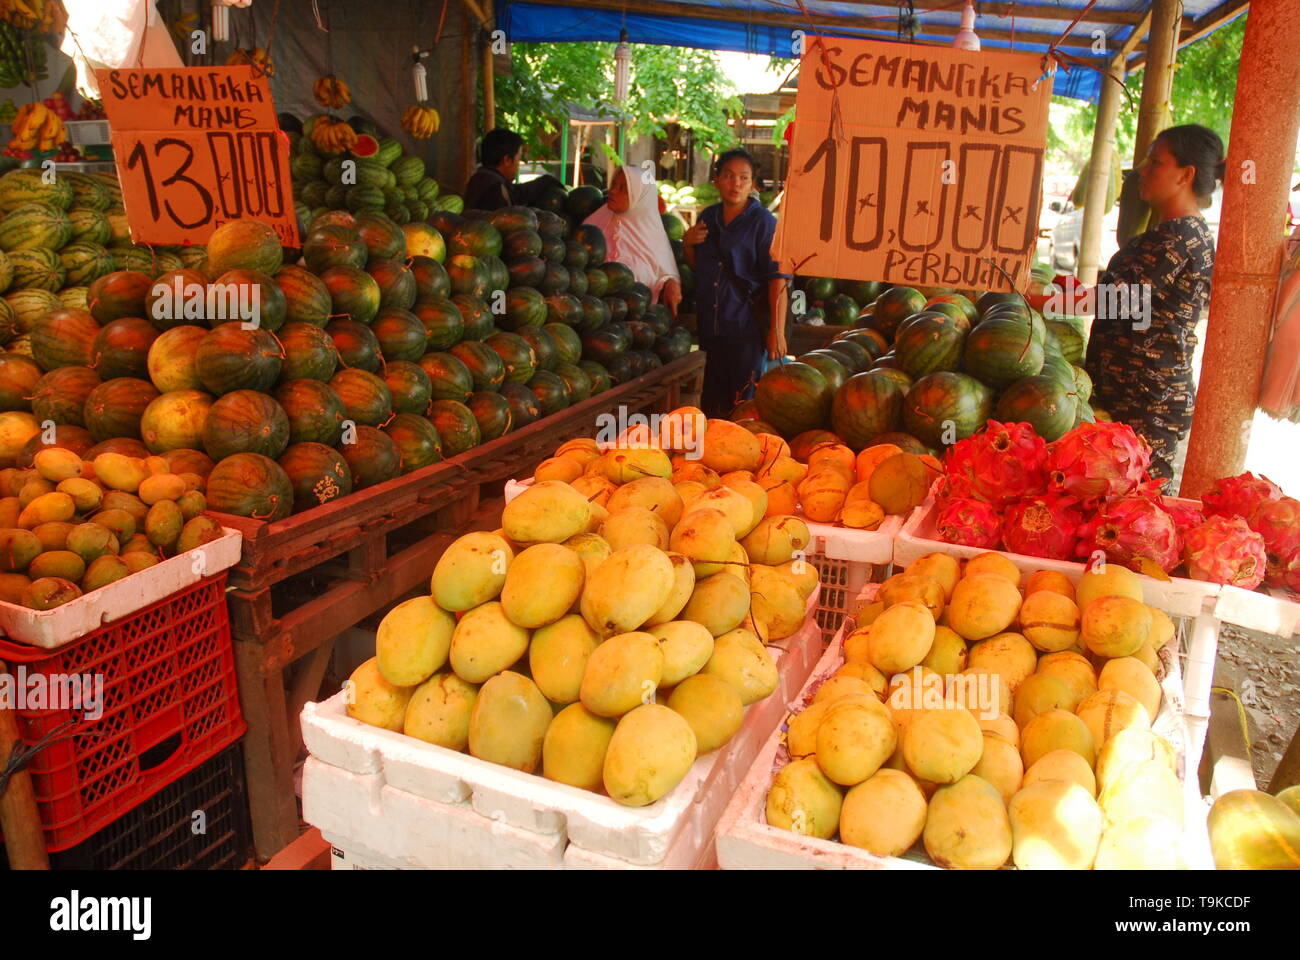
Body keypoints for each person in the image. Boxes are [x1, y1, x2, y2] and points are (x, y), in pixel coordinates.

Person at [1031, 125, 1223, 485]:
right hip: (1128, 395)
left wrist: (1034, 301)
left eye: (1155, 162)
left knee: (1137, 504)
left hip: (1150, 403)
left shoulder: (1181, 238)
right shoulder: (1166, 233)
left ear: (1186, 174)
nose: (1142, 171)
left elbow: (1115, 302)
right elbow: (1134, 301)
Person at [683, 149, 789, 419]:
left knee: (745, 405)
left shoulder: (764, 223)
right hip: (712, 327)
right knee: (713, 405)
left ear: (753, 183)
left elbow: (778, 278)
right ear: (716, 180)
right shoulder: (708, 217)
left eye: (744, 177)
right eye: (729, 176)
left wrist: (777, 330)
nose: (736, 184)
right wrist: (687, 243)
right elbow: (701, 269)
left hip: (747, 329)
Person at [583, 165, 681, 315]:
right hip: (593, 314)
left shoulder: (653, 237)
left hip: (637, 321)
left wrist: (671, 284)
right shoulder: (593, 223)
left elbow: (664, 272)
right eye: (614, 185)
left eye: (624, 188)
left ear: (640, 196)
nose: (613, 191)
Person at [463, 128, 563, 212]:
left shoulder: (481, 178)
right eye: (518, 159)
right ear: (507, 160)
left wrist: (545, 181)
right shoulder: (495, 189)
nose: (518, 165)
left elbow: (517, 193)